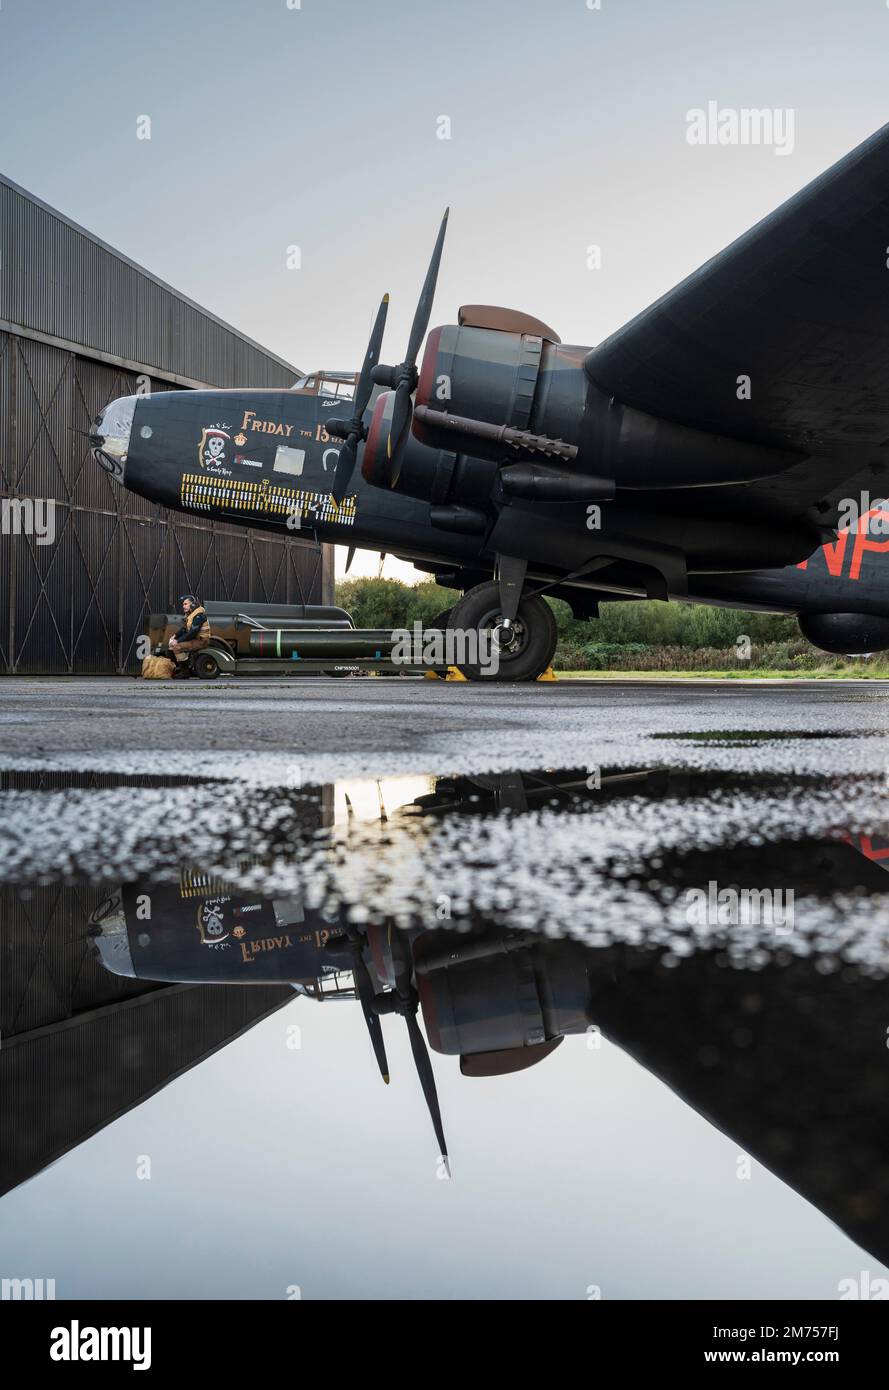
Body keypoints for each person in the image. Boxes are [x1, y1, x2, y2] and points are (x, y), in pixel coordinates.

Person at [168, 595, 211, 677]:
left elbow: (193, 632)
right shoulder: (190, 614)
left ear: (193, 604)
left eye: (185, 604)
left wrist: (177, 641)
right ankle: (181, 668)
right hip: (195, 639)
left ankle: (185, 673)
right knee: (170, 646)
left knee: (177, 647)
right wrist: (174, 636)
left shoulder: (199, 615)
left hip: (202, 641)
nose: (183, 606)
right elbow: (184, 629)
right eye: (183, 604)